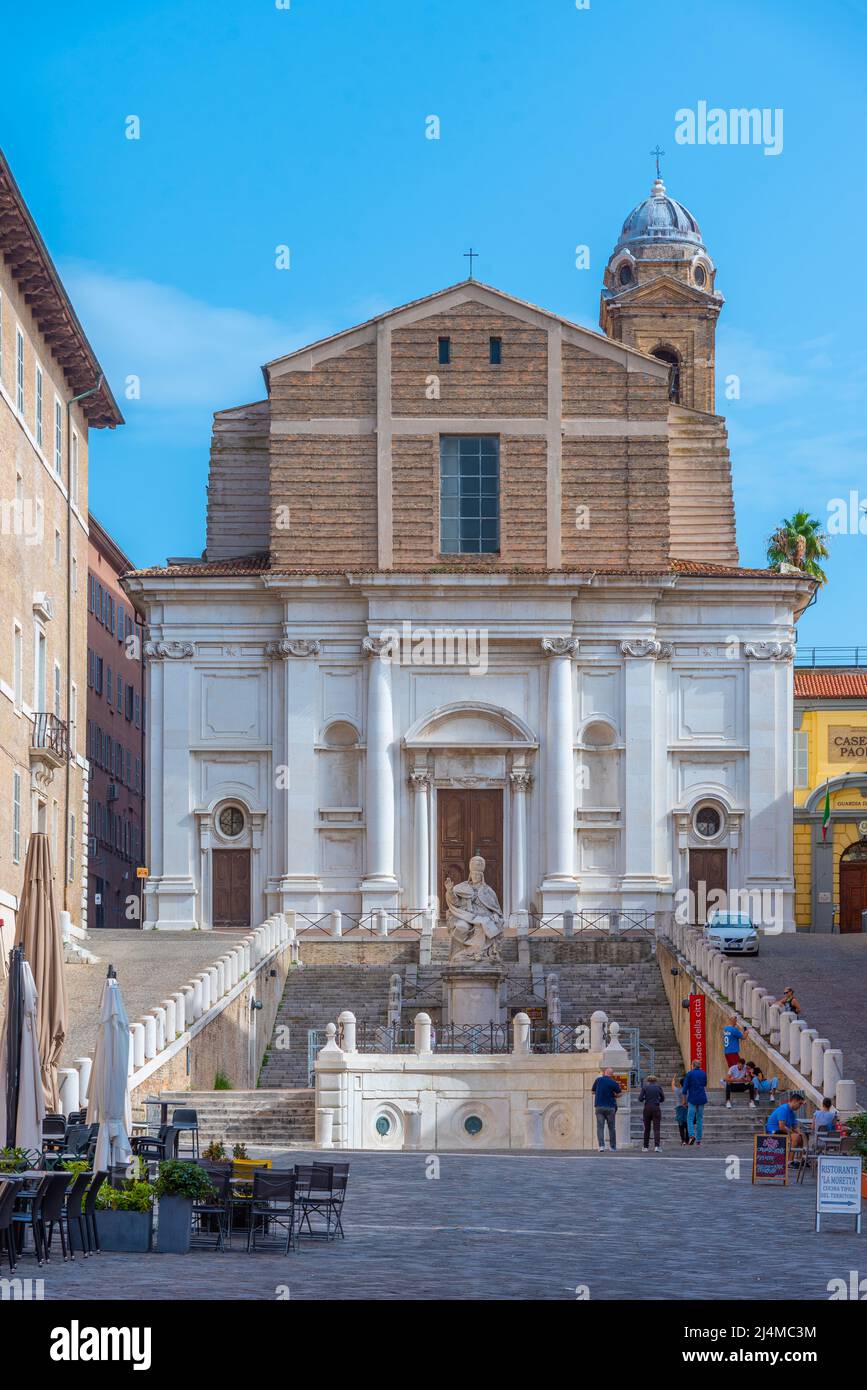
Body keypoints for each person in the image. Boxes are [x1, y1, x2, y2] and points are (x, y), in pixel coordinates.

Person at [591, 1066, 622, 1152]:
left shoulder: (598, 1080)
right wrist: (614, 1095)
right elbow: (620, 1093)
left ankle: (601, 1146)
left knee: (600, 1127)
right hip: (610, 1107)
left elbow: (593, 1091)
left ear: (604, 1072)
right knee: (611, 1127)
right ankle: (613, 1147)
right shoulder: (613, 1082)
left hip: (599, 1106)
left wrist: (599, 1092)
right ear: (612, 1074)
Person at [681, 1058, 708, 1146]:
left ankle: (692, 1135)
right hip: (701, 1097)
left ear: (692, 1065)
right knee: (699, 1119)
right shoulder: (703, 1073)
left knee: (690, 1118)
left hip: (692, 1098)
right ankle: (699, 1140)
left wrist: (684, 1100)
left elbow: (684, 1089)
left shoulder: (689, 1074)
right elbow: (704, 1084)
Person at [638, 1074, 665, 1151]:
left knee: (647, 1128)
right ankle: (657, 1146)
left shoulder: (645, 1087)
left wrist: (645, 1098)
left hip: (647, 1108)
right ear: (655, 1081)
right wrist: (657, 1100)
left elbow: (640, 1099)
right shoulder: (658, 1087)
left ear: (648, 1080)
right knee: (656, 1128)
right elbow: (663, 1098)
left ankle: (645, 1147)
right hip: (656, 1107)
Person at [672, 1076, 690, 1145]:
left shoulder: (677, 1090)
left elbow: (673, 1085)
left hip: (679, 1108)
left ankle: (683, 1140)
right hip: (687, 1107)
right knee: (687, 1124)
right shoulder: (689, 1091)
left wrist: (673, 1079)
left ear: (680, 1084)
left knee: (680, 1125)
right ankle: (687, 1140)